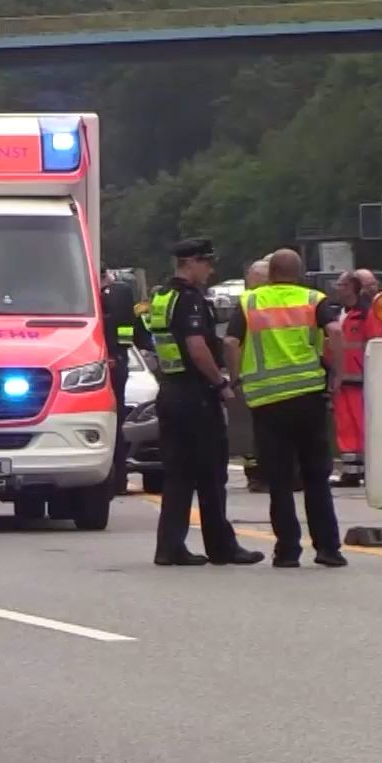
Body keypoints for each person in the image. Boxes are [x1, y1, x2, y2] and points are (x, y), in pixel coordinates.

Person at [224, 248, 347, 568]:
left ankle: (287, 551)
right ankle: (328, 549)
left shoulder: (249, 302)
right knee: (316, 476)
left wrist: (236, 378)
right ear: (298, 271)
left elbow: (229, 342)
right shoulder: (312, 298)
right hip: (308, 396)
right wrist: (338, 373)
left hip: (267, 401)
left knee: (278, 480)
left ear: (271, 271)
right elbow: (335, 331)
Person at [144, 239, 264, 566]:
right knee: (211, 474)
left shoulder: (162, 296)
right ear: (192, 263)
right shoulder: (190, 300)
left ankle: (169, 546)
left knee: (178, 475)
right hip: (196, 396)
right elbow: (197, 348)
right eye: (207, 263)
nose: (211, 270)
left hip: (171, 391)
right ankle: (221, 547)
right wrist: (220, 383)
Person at [101, 272, 152, 493]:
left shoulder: (94, 297)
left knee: (107, 423)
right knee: (116, 423)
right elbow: (140, 335)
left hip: (98, 363)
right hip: (119, 361)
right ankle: (118, 480)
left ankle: (111, 479)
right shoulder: (123, 296)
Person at [331, 270, 379, 484]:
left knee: (363, 426)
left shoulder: (366, 313)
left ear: (351, 287)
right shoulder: (342, 313)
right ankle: (352, 471)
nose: (336, 288)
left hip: (362, 380)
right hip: (345, 380)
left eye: (340, 284)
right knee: (347, 428)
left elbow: (375, 343)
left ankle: (370, 470)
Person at [239, 258, 272, 493]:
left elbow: (232, 342)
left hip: (255, 379)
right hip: (288, 381)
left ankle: (258, 475)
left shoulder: (247, 303)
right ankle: (261, 474)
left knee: (258, 432)